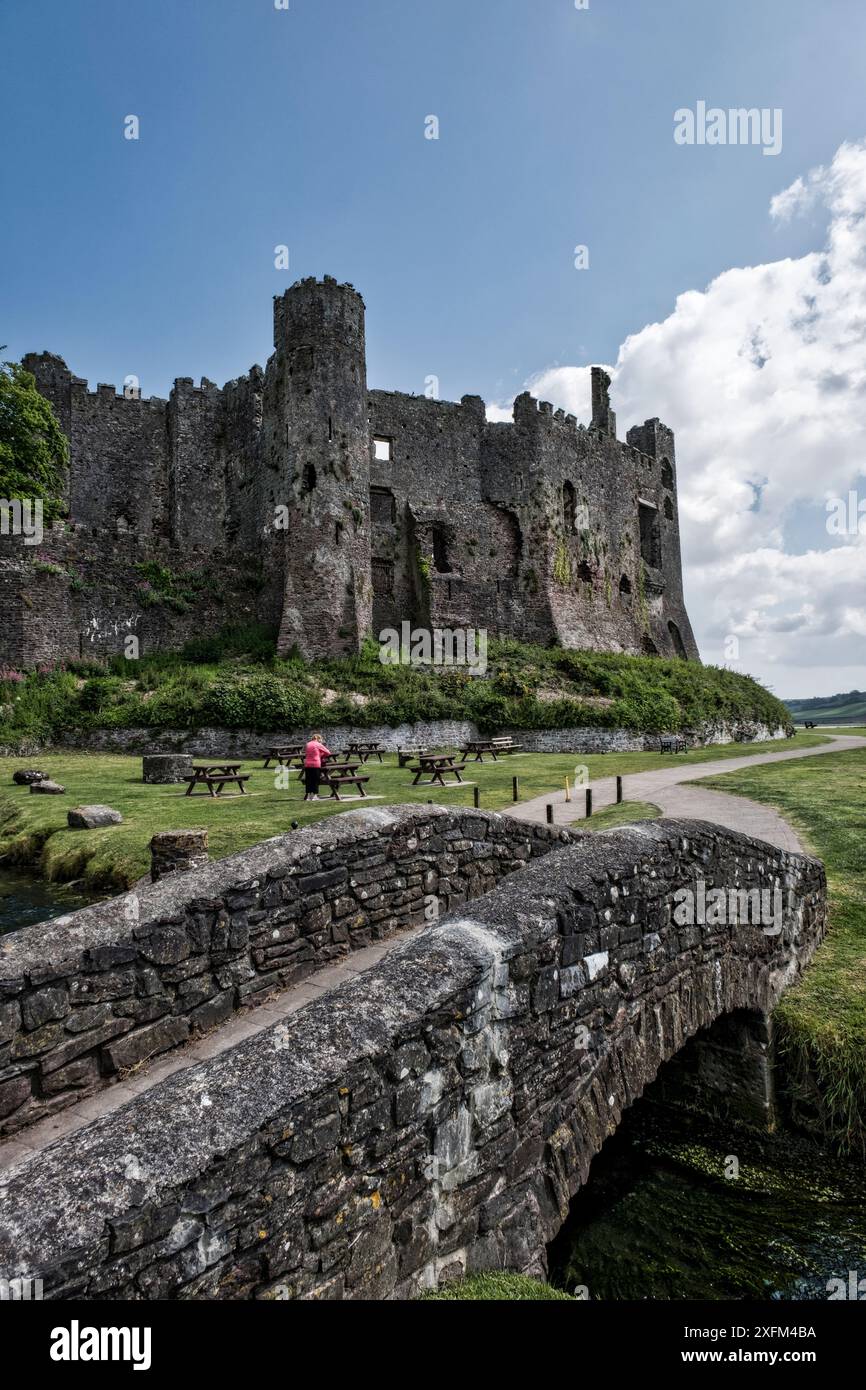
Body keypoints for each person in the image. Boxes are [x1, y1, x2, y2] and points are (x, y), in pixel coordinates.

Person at [303, 732, 331, 801]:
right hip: (315, 763)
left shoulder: (307, 744)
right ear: (319, 739)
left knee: (308, 780)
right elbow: (328, 752)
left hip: (307, 764)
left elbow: (307, 753)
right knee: (315, 780)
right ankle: (314, 796)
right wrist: (321, 755)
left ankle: (309, 795)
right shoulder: (318, 744)